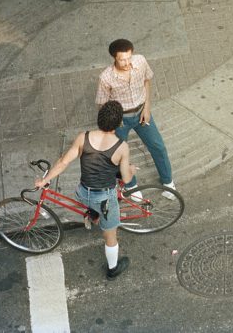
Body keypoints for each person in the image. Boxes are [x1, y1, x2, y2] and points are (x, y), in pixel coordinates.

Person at [36, 100, 135, 280]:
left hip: (82, 192)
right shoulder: (122, 147)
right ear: (119, 123)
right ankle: (113, 269)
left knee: (92, 203)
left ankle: (93, 213)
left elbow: (63, 162)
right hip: (104, 198)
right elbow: (126, 179)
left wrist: (45, 180)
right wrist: (131, 170)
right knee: (110, 234)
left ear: (99, 119)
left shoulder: (83, 137)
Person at [95, 40, 177, 195]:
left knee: (158, 146)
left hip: (142, 113)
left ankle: (168, 182)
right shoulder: (106, 77)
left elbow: (147, 80)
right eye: (122, 59)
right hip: (120, 120)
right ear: (114, 58)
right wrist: (113, 122)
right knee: (119, 154)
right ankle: (131, 185)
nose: (126, 63)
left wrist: (147, 107)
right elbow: (102, 104)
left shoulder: (140, 61)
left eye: (128, 58)